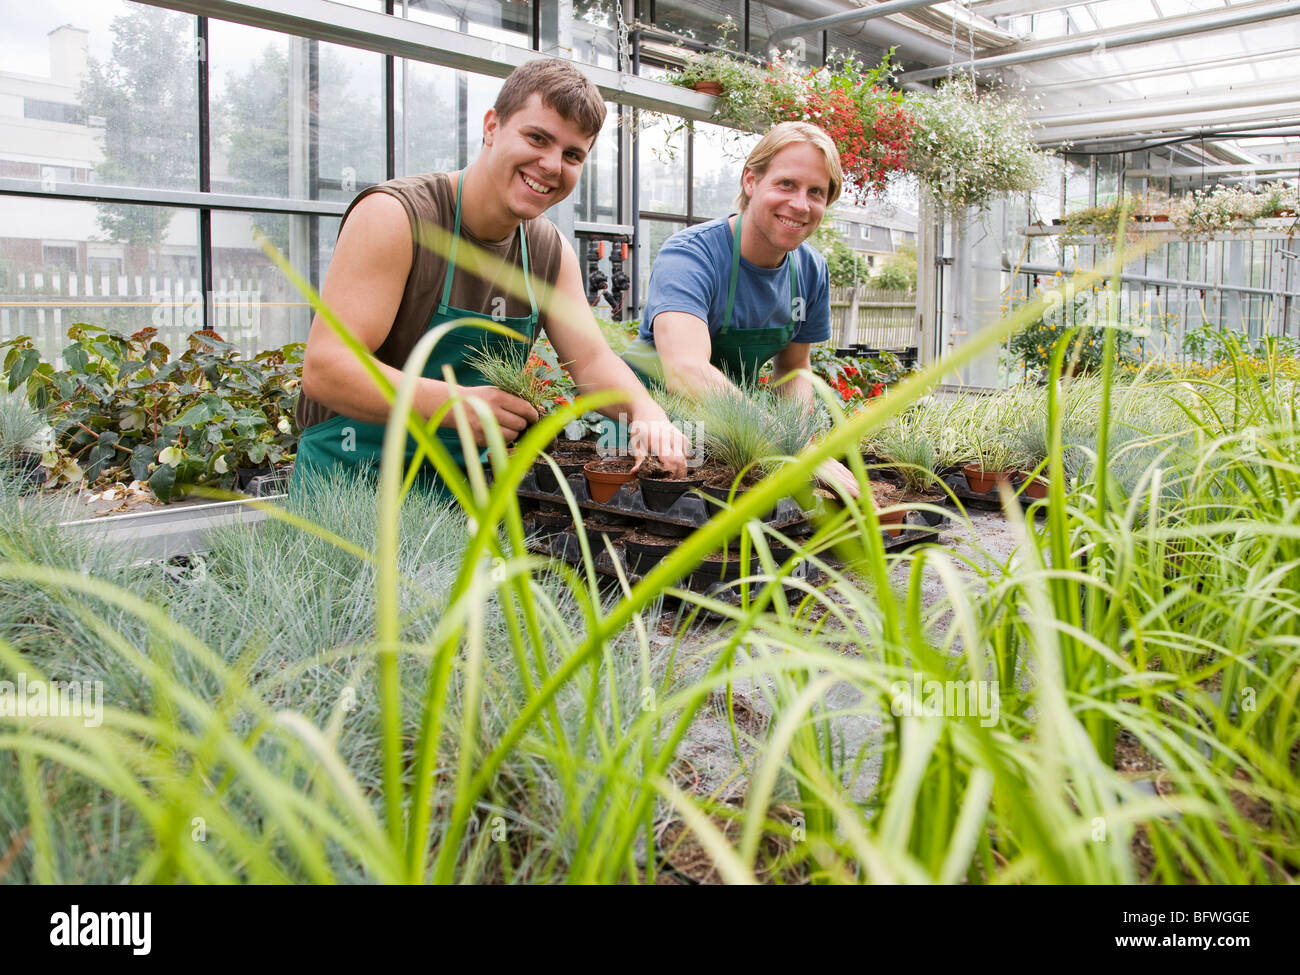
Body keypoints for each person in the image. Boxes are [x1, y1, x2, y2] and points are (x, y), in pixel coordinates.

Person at [292, 58, 687, 499]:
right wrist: (454, 405)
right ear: (492, 126)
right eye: (537, 138)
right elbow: (328, 368)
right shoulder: (396, 216)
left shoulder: (548, 253)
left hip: (464, 497)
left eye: (573, 155)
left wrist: (644, 409)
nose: (553, 165)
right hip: (350, 489)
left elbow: (591, 361)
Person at [625, 121, 860, 497]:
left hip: (731, 437)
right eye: (786, 184)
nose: (800, 204)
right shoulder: (691, 255)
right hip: (645, 432)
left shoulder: (810, 270)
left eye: (815, 192)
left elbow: (794, 368)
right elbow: (686, 372)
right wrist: (794, 448)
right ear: (751, 181)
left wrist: (800, 440)